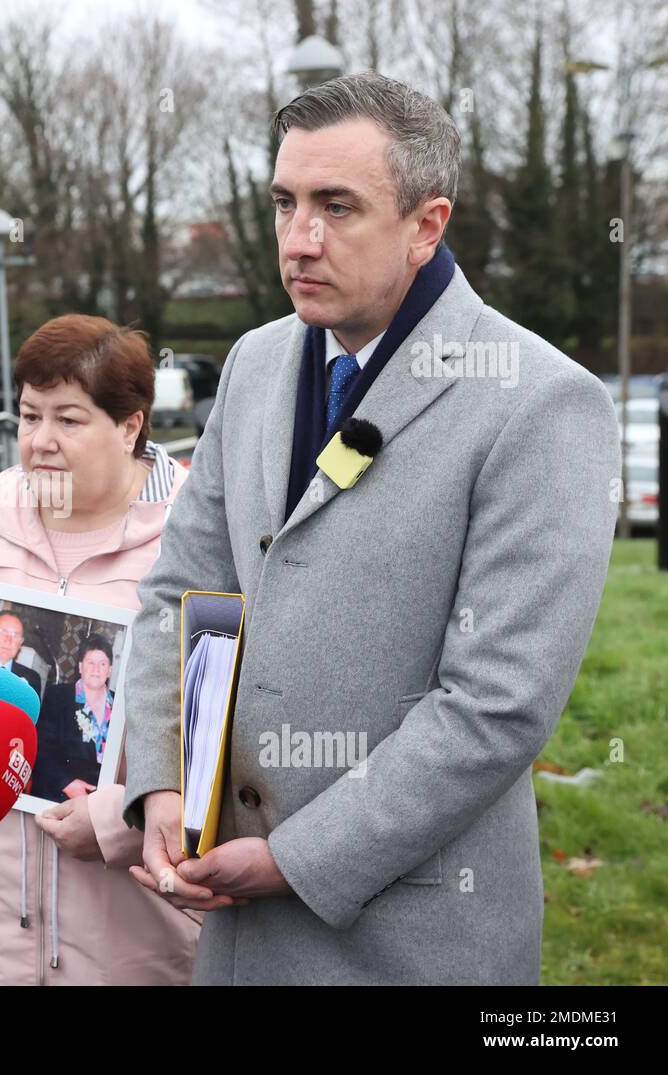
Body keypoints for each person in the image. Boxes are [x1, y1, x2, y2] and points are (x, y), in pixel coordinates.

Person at [123, 73, 620, 985]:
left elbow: (497, 705)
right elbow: (183, 593)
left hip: (412, 943)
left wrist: (294, 860)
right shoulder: (257, 361)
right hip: (233, 942)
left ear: (427, 225)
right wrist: (160, 778)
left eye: (336, 207)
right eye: (285, 202)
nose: (298, 240)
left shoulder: (543, 402)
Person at [0, 314, 201, 985]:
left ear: (130, 427)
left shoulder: (196, 535)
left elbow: (227, 729)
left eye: (68, 420)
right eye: (28, 416)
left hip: (139, 927)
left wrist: (123, 817)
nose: (40, 441)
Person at [30, 634, 115, 802]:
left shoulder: (120, 706)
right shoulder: (57, 695)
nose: (96, 669)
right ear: (80, 667)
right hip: (59, 794)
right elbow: (40, 747)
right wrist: (67, 783)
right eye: (90, 662)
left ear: (110, 670)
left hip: (101, 803)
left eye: (102, 663)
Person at [0, 608, 43, 698]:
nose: (8, 640)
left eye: (15, 635)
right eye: (3, 632)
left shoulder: (32, 679)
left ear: (20, 643)